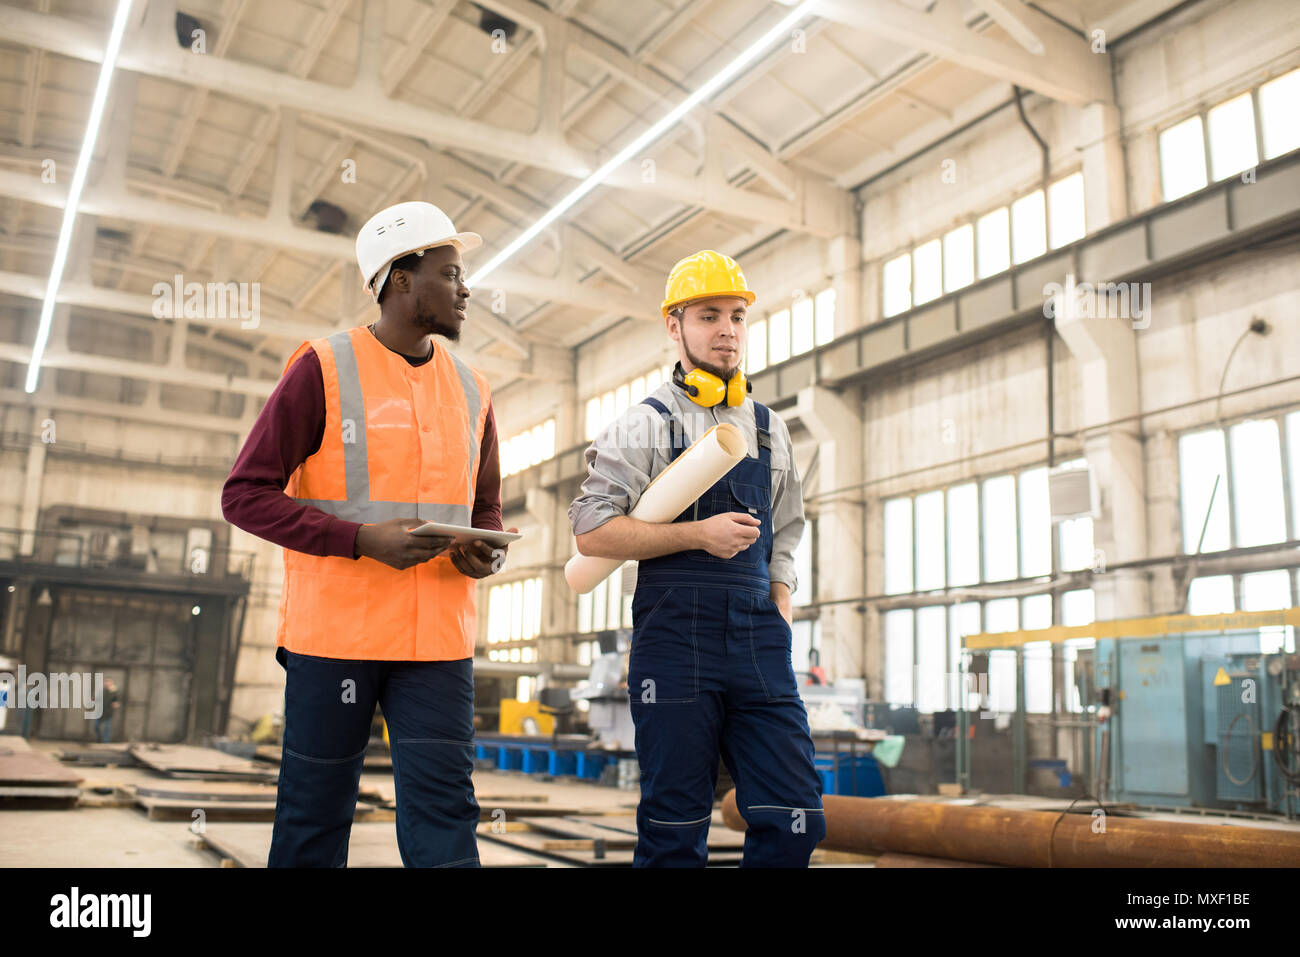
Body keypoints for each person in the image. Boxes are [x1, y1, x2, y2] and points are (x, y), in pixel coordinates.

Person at [222, 200, 514, 867]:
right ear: (399, 280)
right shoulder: (323, 368)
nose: (465, 288)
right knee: (315, 809)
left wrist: (482, 549)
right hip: (335, 639)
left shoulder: (474, 388)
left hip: (436, 643)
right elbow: (244, 495)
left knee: (446, 813)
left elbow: (487, 504)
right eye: (449, 272)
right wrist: (360, 540)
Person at [568, 249, 826, 867]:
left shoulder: (770, 429)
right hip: (674, 636)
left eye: (737, 315)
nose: (728, 330)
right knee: (675, 826)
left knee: (797, 817)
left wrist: (781, 603)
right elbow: (590, 532)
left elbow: (787, 528)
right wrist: (695, 535)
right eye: (709, 315)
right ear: (673, 325)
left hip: (760, 635)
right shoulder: (644, 424)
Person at [95, 677, 120, 743]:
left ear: (111, 683)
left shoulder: (114, 692)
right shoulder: (102, 691)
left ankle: (106, 742)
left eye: (109, 682)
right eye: (106, 682)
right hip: (100, 712)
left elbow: (117, 701)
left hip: (108, 713)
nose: (107, 683)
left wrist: (115, 704)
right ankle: (100, 739)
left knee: (107, 728)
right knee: (96, 726)